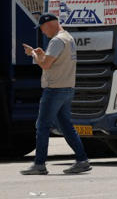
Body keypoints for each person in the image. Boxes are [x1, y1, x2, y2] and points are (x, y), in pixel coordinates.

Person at [20, 13, 90, 175]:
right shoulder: (68, 38)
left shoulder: (57, 40)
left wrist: (33, 54)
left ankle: (39, 164)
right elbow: (55, 61)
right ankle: (82, 160)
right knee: (66, 126)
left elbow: (45, 65)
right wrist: (41, 54)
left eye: (43, 28)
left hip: (54, 89)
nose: (43, 32)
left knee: (42, 125)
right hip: (67, 88)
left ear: (49, 25)